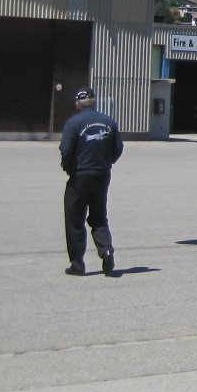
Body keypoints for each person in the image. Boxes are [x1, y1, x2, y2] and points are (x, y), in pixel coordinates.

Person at [60, 86, 123, 276]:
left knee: (75, 219)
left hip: (80, 176)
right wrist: (106, 162)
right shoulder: (109, 122)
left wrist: (69, 168)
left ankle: (77, 265)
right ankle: (106, 250)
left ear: (77, 104)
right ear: (94, 101)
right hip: (102, 175)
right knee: (98, 216)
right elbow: (118, 148)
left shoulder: (73, 123)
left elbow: (66, 149)